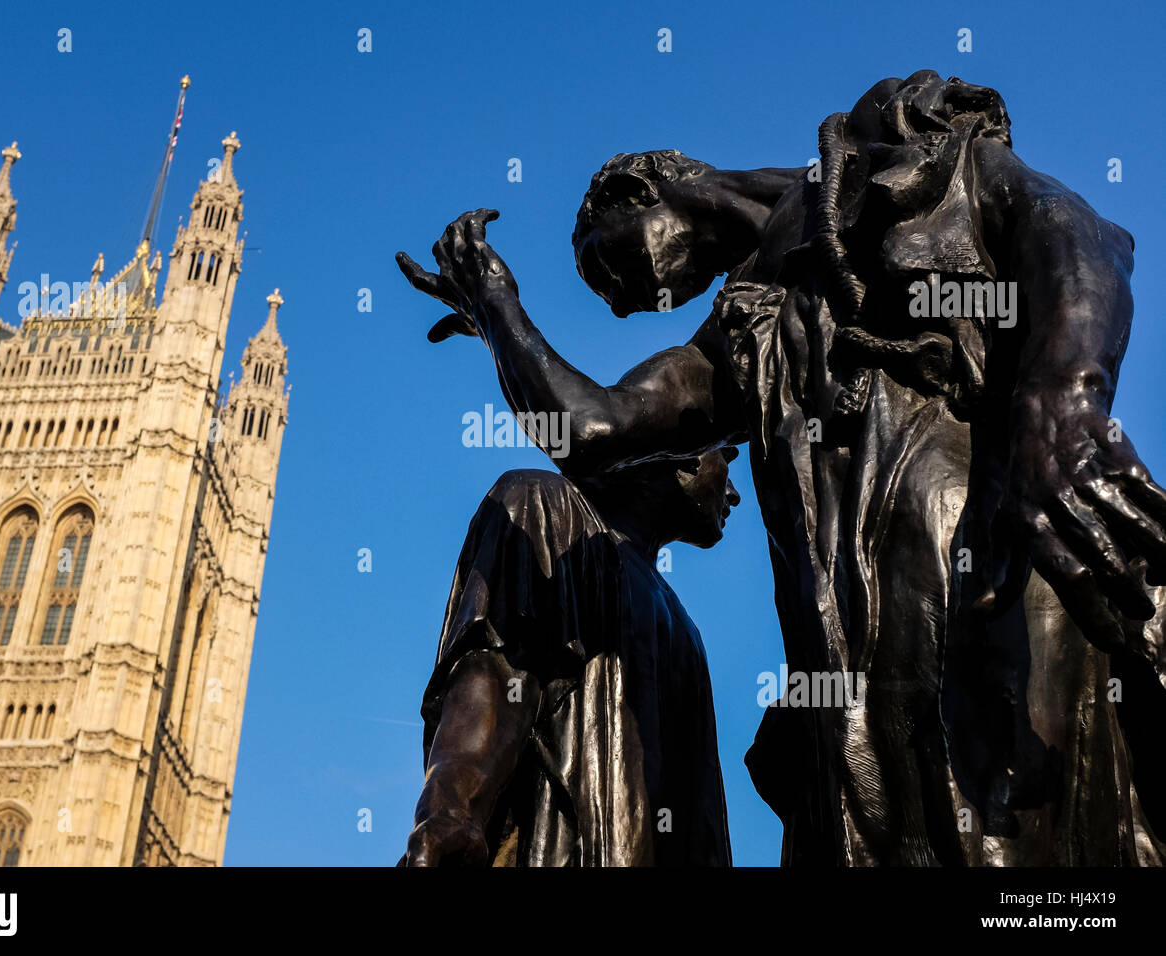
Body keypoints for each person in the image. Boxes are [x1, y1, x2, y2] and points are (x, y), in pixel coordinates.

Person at [397, 70, 1166, 865]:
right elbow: (596, 427)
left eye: (608, 267)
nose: (625, 304)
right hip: (844, 621)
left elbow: (1078, 235)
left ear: (642, 189)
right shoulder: (739, 322)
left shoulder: (900, 149)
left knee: (1009, 830)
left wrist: (1064, 399)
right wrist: (498, 312)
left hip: (973, 551)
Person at [402, 447, 739, 866]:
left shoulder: (686, 631)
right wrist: (451, 808)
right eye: (728, 457)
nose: (735, 492)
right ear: (687, 453)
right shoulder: (544, 505)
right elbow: (496, 672)